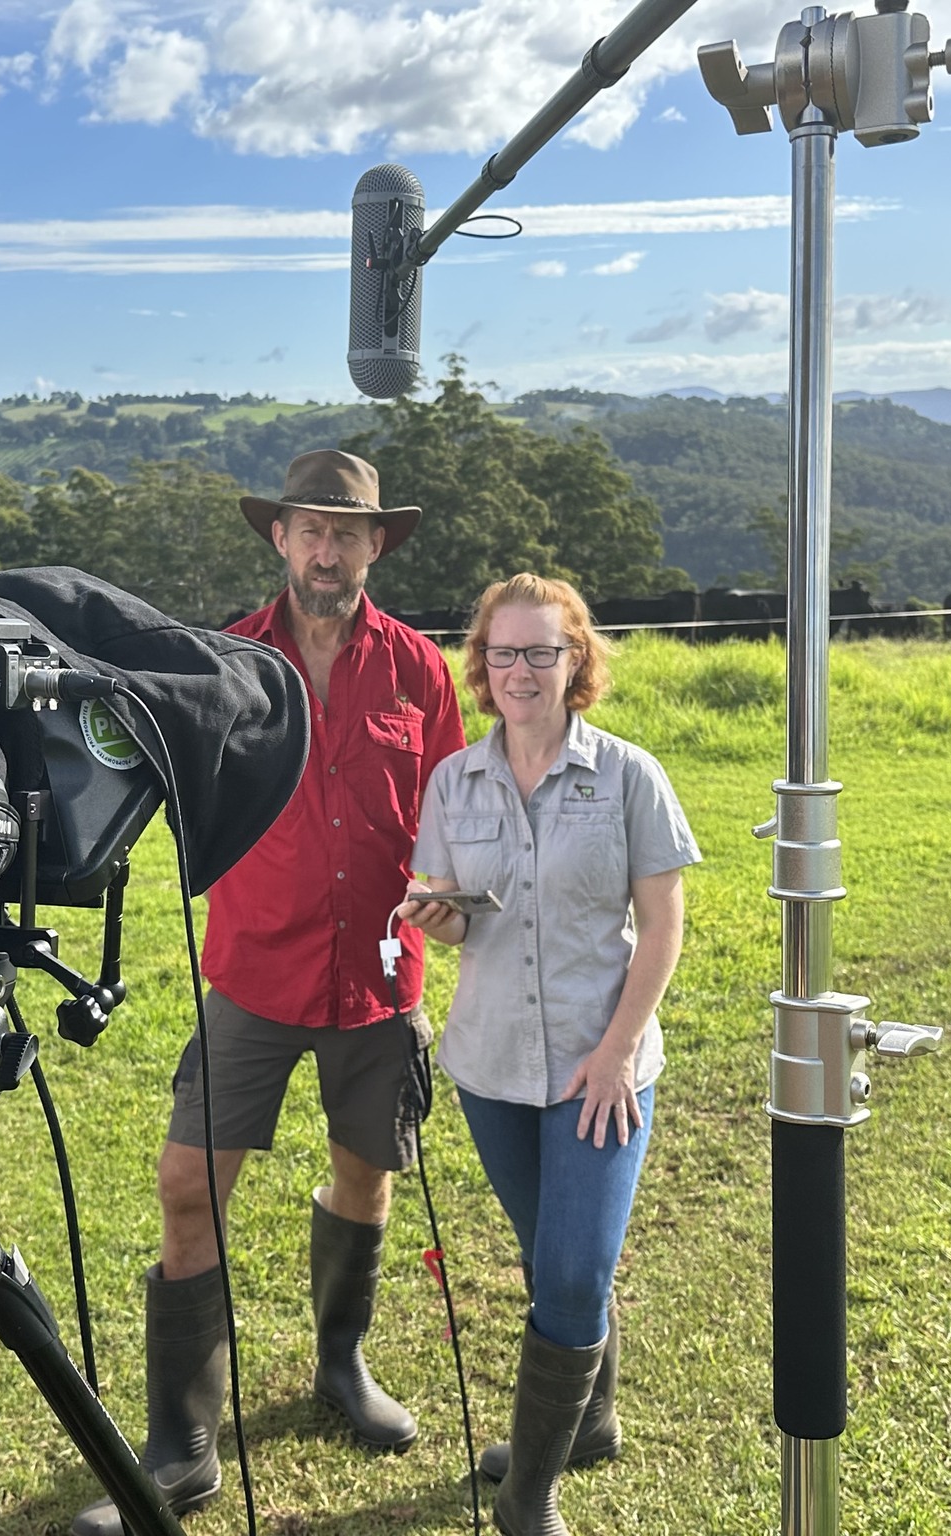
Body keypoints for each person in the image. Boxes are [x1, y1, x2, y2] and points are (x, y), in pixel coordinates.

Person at [73, 449, 466, 1536]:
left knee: (366, 1177)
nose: (328, 551)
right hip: (251, 971)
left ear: (376, 545)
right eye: (311, 530)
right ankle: (183, 1446)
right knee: (187, 1185)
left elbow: (452, 811)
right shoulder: (229, 664)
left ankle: (340, 1366)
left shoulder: (420, 671)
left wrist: (450, 892)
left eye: (349, 533)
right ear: (281, 539)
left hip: (378, 980)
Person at [398, 573, 698, 1536]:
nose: (520, 671)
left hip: (597, 1068)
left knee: (570, 1275)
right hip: (492, 1067)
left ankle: (528, 1496)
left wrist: (616, 1054)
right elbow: (455, 918)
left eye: (541, 652)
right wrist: (437, 918)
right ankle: (591, 1421)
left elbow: (662, 930)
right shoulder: (454, 781)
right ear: (482, 664)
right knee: (549, 1258)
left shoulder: (629, 776)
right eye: (503, 652)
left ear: (577, 661)